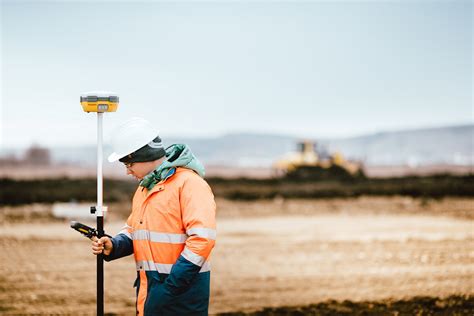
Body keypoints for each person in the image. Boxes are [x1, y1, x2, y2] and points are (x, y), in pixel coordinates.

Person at [91, 117, 217, 316]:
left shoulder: (190, 184)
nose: (127, 171)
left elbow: (202, 240)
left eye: (129, 164)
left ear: (143, 155)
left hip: (183, 294)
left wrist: (170, 288)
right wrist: (114, 245)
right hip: (150, 286)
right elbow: (135, 230)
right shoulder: (145, 188)